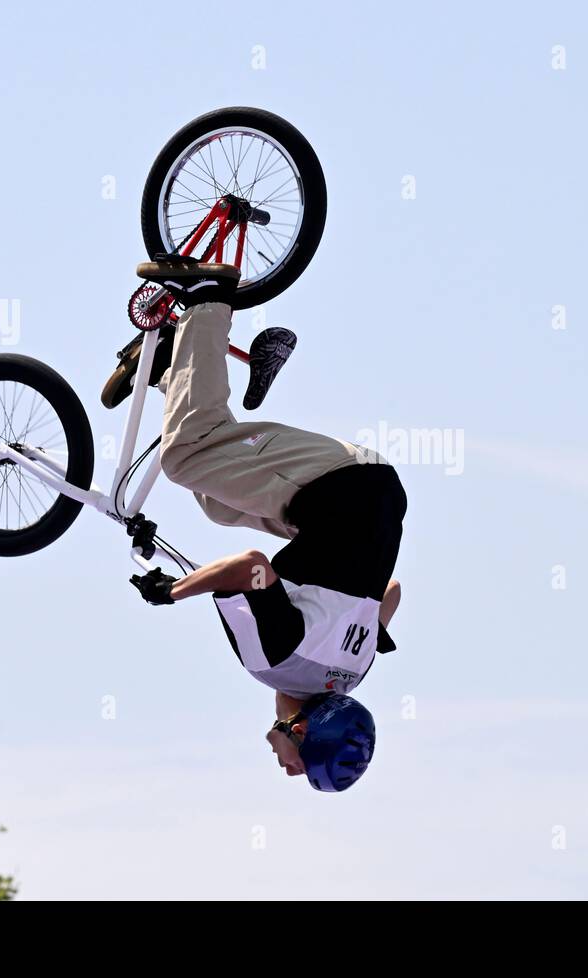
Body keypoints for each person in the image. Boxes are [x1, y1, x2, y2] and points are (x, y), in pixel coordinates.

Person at [111, 258, 406, 793]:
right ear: (302, 729)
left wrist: (366, 620)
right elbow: (250, 569)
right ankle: (206, 296)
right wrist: (171, 592)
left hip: (365, 493)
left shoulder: (351, 670)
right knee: (186, 459)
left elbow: (390, 589)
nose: (288, 769)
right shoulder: (277, 662)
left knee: (217, 501)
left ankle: (170, 368)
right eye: (301, 764)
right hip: (333, 485)